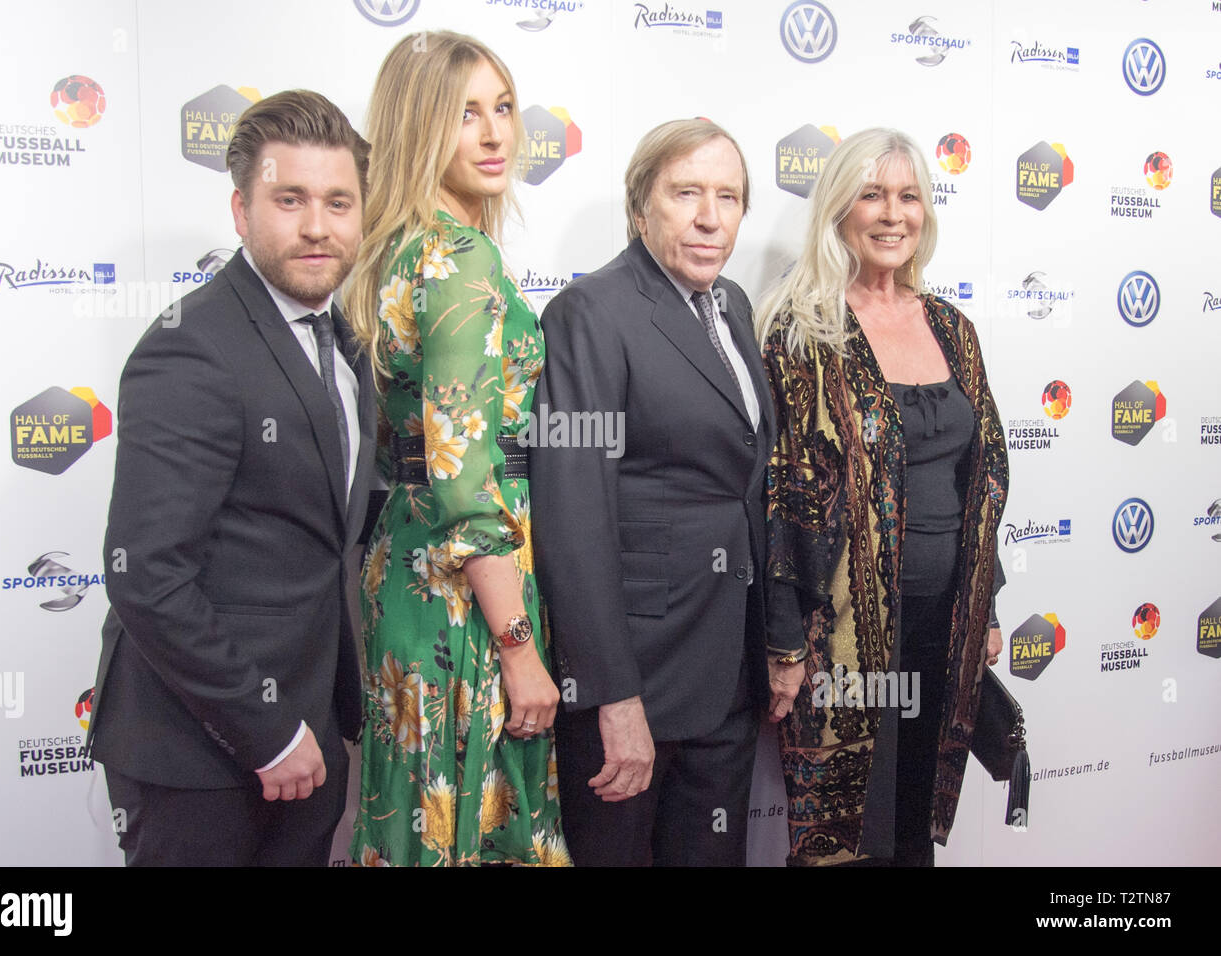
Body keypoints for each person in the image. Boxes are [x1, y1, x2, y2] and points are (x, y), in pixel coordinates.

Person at [88, 90, 377, 866]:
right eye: (290, 200)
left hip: (310, 733)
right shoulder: (193, 347)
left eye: (337, 201)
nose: (318, 225)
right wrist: (267, 730)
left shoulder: (342, 343)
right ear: (241, 211)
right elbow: (148, 575)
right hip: (199, 752)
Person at [531, 119, 800, 867]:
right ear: (640, 205)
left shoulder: (735, 306)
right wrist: (611, 697)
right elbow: (571, 516)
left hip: (728, 673)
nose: (711, 217)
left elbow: (753, 491)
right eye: (686, 193)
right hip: (634, 680)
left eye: (729, 197)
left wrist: (777, 641)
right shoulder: (591, 314)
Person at [756, 127, 1009, 867]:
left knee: (912, 824)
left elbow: (983, 478)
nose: (892, 214)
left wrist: (985, 603)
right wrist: (782, 642)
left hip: (943, 622)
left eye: (908, 196)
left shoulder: (952, 330)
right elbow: (781, 498)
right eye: (872, 194)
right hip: (840, 635)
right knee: (843, 841)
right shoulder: (804, 330)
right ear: (839, 210)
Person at [343, 31, 566, 867]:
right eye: (464, 114)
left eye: (503, 109)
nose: (495, 133)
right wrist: (519, 649)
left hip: (409, 571)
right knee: (470, 830)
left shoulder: (400, 250)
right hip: (465, 599)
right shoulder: (459, 255)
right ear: (417, 127)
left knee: (421, 826)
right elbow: (464, 475)